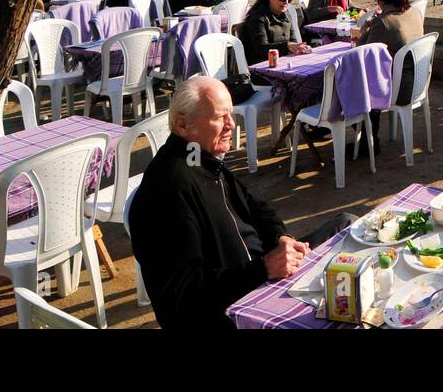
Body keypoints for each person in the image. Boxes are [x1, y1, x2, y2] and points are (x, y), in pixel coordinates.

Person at [128, 77, 355, 329]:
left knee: (348, 226)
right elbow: (182, 297)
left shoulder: (202, 159)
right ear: (183, 124)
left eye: (231, 115)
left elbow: (257, 209)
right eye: (219, 117)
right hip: (237, 310)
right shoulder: (168, 189)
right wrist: (264, 269)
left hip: (264, 275)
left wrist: (281, 238)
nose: (231, 125)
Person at [354, 0, 424, 157]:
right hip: (418, 82)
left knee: (357, 84)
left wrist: (364, 32)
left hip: (398, 89)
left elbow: (364, 52)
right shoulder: (414, 13)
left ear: (381, 1)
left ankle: (368, 142)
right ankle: (366, 138)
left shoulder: (383, 22)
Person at [239, 0, 308, 65]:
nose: (286, 2)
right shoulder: (258, 18)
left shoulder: (287, 16)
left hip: (284, 61)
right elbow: (261, 49)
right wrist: (287, 46)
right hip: (263, 65)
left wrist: (298, 47)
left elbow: (293, 40)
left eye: (289, 0)